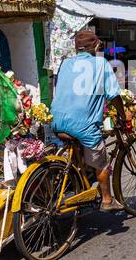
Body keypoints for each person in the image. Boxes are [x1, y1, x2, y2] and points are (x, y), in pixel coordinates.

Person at [51, 27, 122, 211]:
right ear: (96, 45)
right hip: (83, 124)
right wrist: (121, 115)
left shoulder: (65, 64)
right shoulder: (101, 64)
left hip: (57, 121)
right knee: (102, 161)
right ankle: (107, 199)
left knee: (80, 152)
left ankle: (79, 180)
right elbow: (114, 95)